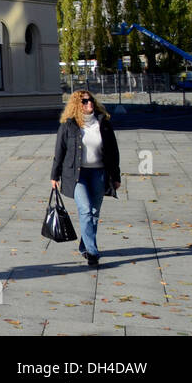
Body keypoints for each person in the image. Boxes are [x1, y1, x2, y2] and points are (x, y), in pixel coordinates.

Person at [50, 89, 121, 266]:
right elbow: (60, 151)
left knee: (94, 213)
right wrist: (54, 175)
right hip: (77, 175)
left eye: (90, 100)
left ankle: (84, 245)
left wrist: (116, 176)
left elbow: (113, 151)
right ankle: (92, 251)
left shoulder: (103, 123)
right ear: (77, 105)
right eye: (84, 101)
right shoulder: (69, 125)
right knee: (86, 210)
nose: (89, 103)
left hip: (99, 173)